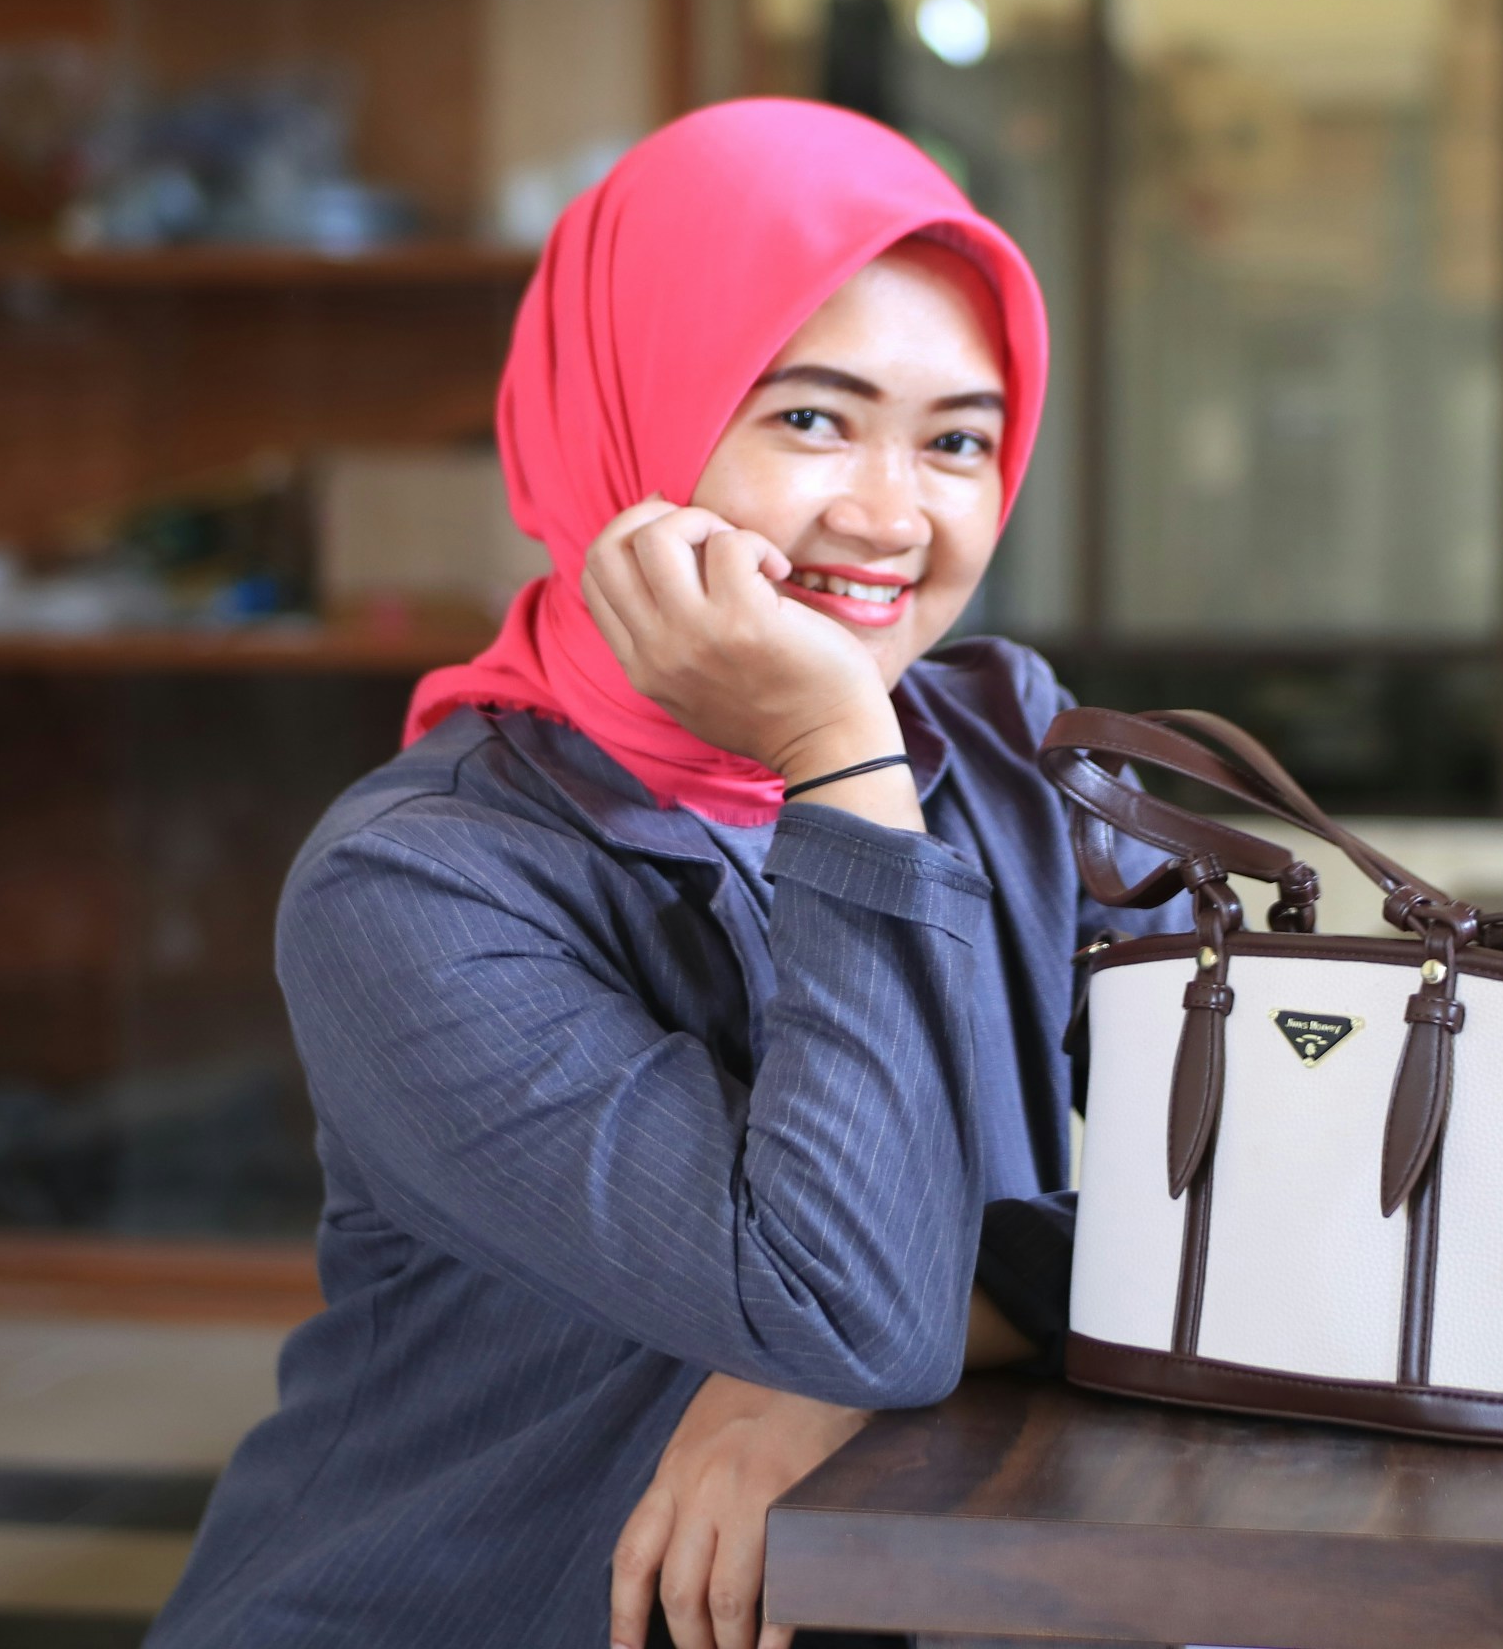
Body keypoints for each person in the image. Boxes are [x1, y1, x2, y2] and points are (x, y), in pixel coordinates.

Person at [148, 99, 1169, 1649]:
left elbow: (1283, 1193)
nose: (894, 516)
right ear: (623, 410)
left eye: (957, 439)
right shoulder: (419, 886)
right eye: (811, 419)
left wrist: (869, 1353)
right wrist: (837, 754)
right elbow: (851, 1308)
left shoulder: (1012, 749)